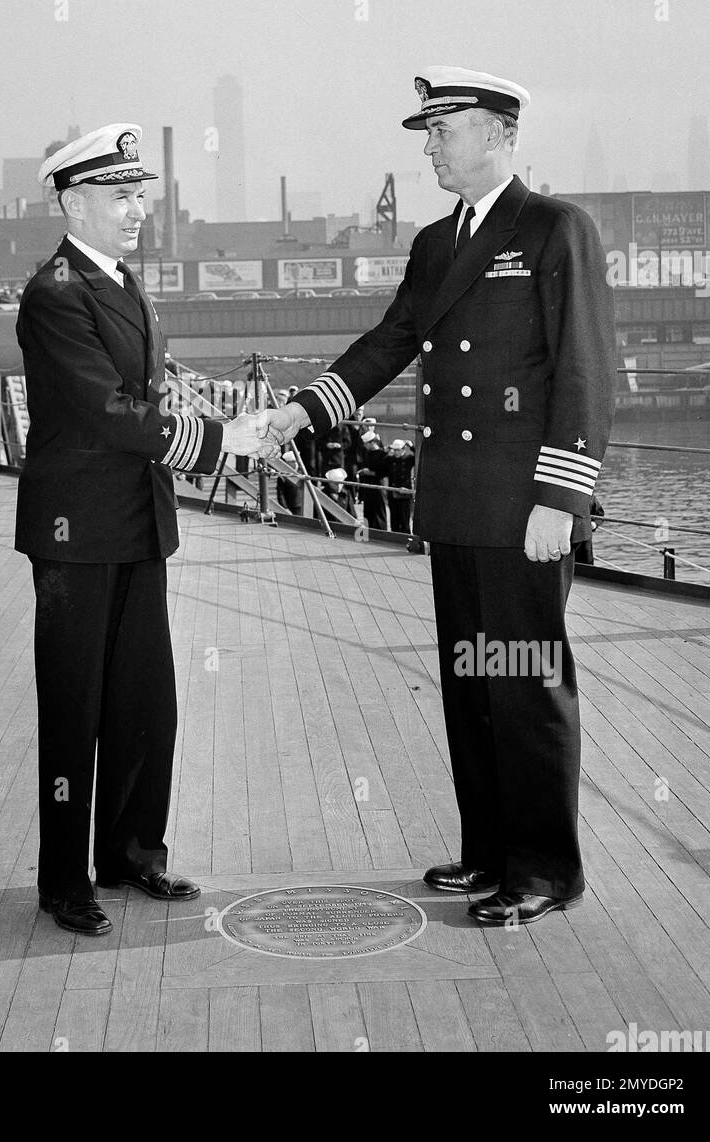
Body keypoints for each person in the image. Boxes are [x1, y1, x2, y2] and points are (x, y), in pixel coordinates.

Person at [257, 68, 615, 926]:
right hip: (455, 503)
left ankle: (542, 869)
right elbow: (390, 341)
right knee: (471, 681)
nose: (428, 148)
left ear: (496, 134)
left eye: (443, 131)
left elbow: (584, 366)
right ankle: (489, 850)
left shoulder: (553, 228)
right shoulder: (434, 242)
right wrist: (303, 410)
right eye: (426, 133)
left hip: (522, 506)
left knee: (524, 684)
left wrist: (559, 500)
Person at [15, 123, 264, 935]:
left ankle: (130, 853)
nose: (135, 213)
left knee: (142, 701)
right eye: (120, 197)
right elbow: (109, 408)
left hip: (134, 525)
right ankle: (64, 882)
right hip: (74, 532)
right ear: (73, 200)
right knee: (74, 707)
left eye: (138, 198)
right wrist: (222, 442)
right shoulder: (55, 292)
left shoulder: (118, 281)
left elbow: (142, 402)